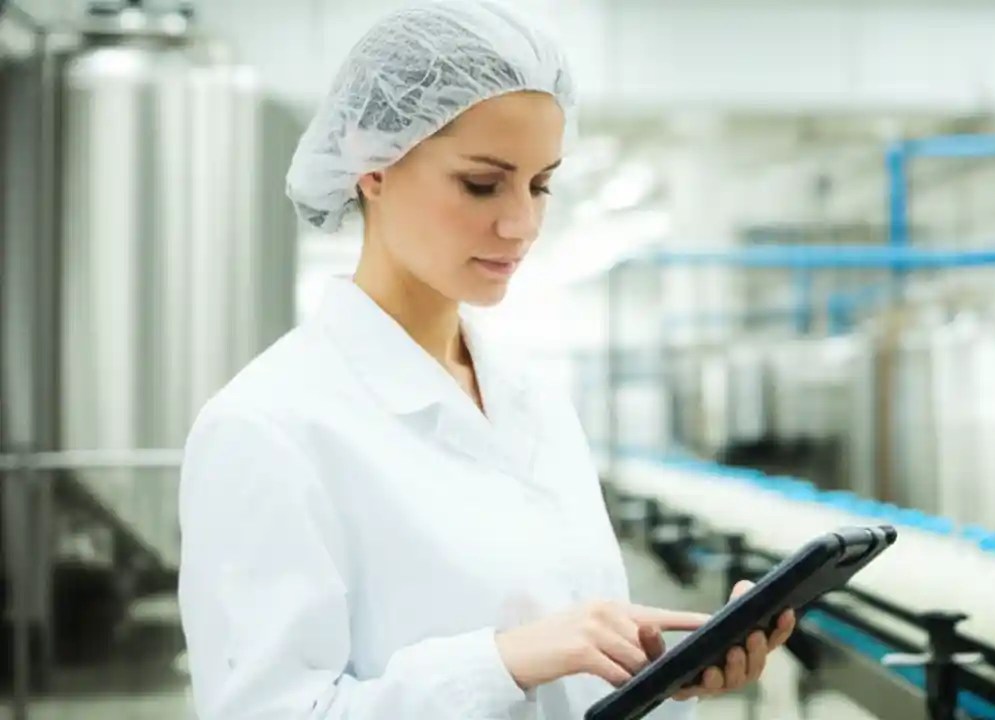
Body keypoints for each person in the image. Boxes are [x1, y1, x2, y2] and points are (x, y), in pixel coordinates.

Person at [176, 2, 796, 718]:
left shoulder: (530, 397)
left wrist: (657, 673)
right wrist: (504, 661)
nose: (521, 225)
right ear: (371, 163)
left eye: (540, 185)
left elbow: (570, 667)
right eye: (481, 183)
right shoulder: (268, 427)